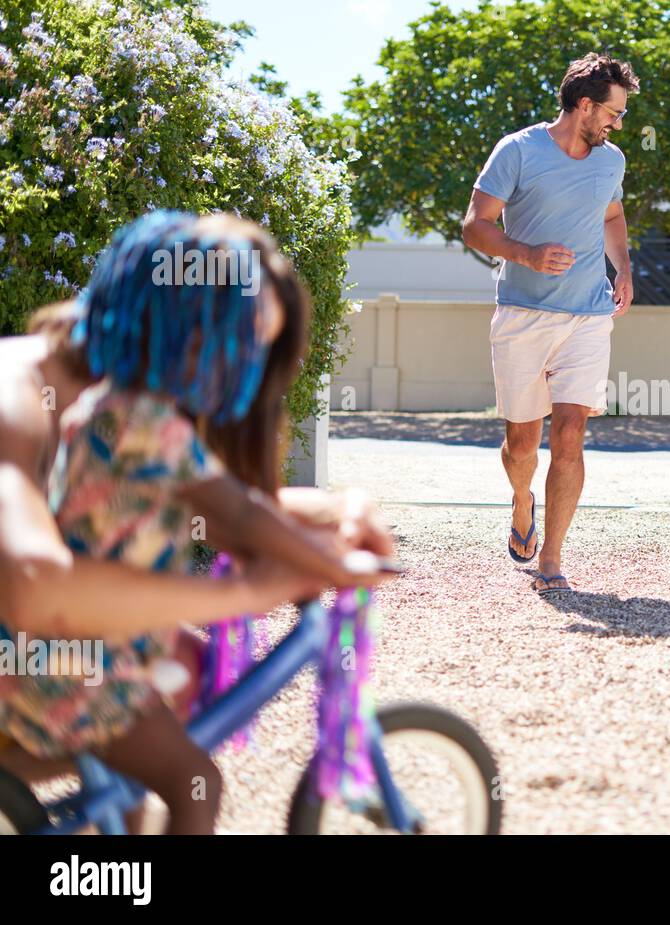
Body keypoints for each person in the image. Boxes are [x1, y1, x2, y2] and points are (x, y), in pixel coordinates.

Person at [0, 211, 392, 832]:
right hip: (32, 659)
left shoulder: (116, 402)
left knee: (180, 671)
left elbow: (176, 502)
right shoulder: (17, 393)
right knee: (193, 776)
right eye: (231, 347)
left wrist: (325, 511)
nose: (232, 377)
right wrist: (248, 590)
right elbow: (31, 584)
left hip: (38, 659)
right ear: (177, 323)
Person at [461, 53, 639, 594]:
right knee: (522, 443)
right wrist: (527, 254)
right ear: (584, 105)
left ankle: (552, 560)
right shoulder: (517, 150)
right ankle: (522, 500)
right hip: (522, 314)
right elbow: (475, 226)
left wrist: (624, 268)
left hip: (587, 315)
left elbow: (612, 215)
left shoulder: (612, 162)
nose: (618, 123)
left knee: (570, 434)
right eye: (613, 112)